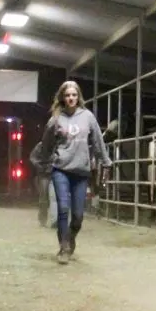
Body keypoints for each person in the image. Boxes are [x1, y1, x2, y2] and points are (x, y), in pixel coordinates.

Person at [40, 80, 111, 263]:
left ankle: (70, 238)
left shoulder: (87, 116)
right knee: (63, 208)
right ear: (62, 98)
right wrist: (46, 161)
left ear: (78, 97)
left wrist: (105, 160)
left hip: (81, 171)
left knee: (78, 215)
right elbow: (46, 143)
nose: (71, 98)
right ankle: (63, 247)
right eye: (67, 95)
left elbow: (97, 141)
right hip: (61, 169)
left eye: (74, 95)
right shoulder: (56, 119)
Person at [28, 138, 55, 228]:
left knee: (55, 198)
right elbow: (32, 157)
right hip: (44, 174)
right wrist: (38, 165)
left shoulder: (60, 146)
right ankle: (42, 220)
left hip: (56, 173)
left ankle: (55, 220)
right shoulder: (41, 145)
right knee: (43, 198)